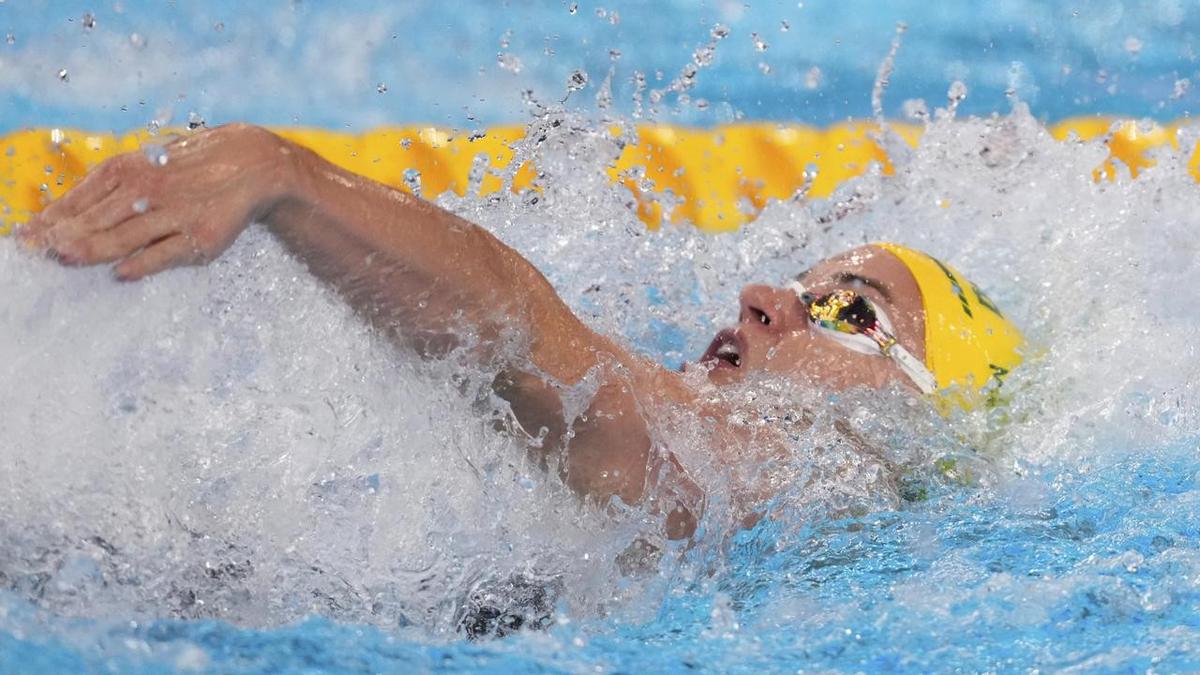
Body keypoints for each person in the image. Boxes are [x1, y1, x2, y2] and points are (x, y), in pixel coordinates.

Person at [16, 123, 1024, 542]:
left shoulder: (842, 475)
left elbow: (583, 391)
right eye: (802, 282)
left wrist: (290, 180)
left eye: (850, 309)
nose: (764, 296)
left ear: (909, 400)